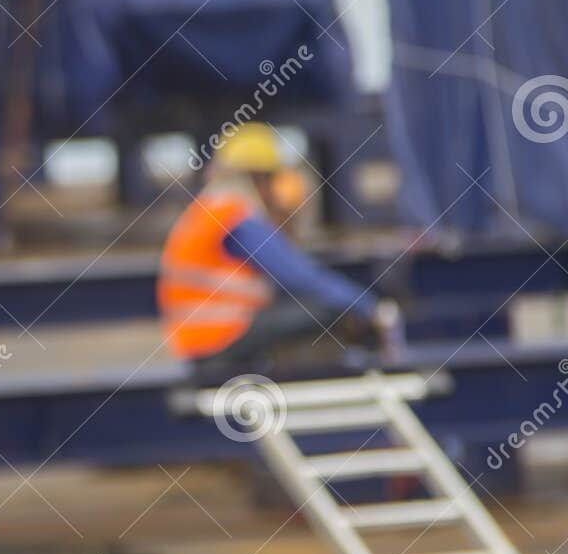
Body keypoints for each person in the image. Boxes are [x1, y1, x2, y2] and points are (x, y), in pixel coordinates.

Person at [159, 123, 395, 377]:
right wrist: (369, 307)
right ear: (258, 178)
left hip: (199, 344)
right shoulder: (235, 216)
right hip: (221, 339)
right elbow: (301, 277)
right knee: (331, 311)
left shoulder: (210, 209)